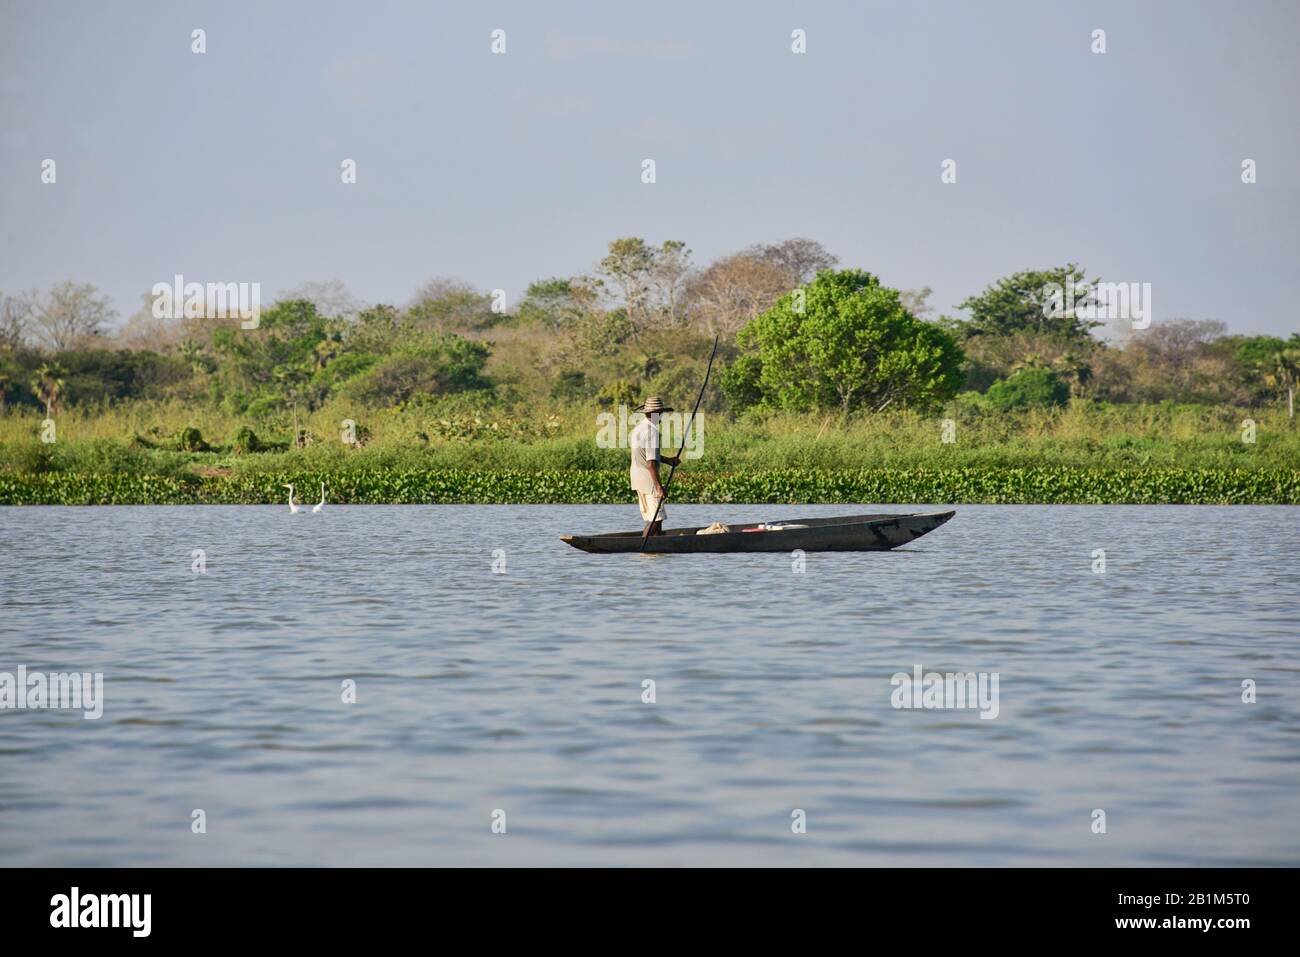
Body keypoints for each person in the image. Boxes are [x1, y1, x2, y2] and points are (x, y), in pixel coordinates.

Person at [629, 395, 680, 537]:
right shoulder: (652, 432)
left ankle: (657, 550)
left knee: (654, 517)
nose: (662, 416)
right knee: (656, 520)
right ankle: (642, 548)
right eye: (660, 413)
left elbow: (646, 455)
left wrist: (668, 460)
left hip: (637, 478)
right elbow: (650, 464)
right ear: (653, 414)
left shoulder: (638, 429)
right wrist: (659, 487)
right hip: (648, 480)